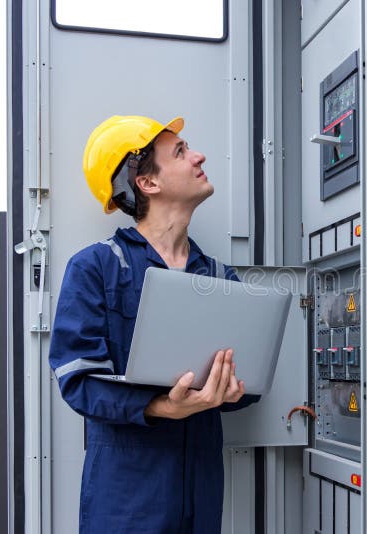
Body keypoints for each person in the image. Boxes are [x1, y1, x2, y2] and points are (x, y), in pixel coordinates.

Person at [49, 115, 258, 533]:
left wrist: (235, 389)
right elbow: (78, 380)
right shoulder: (97, 267)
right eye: (180, 151)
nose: (198, 155)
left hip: (200, 500)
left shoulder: (219, 276)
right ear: (148, 183)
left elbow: (248, 378)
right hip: (126, 503)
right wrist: (164, 407)